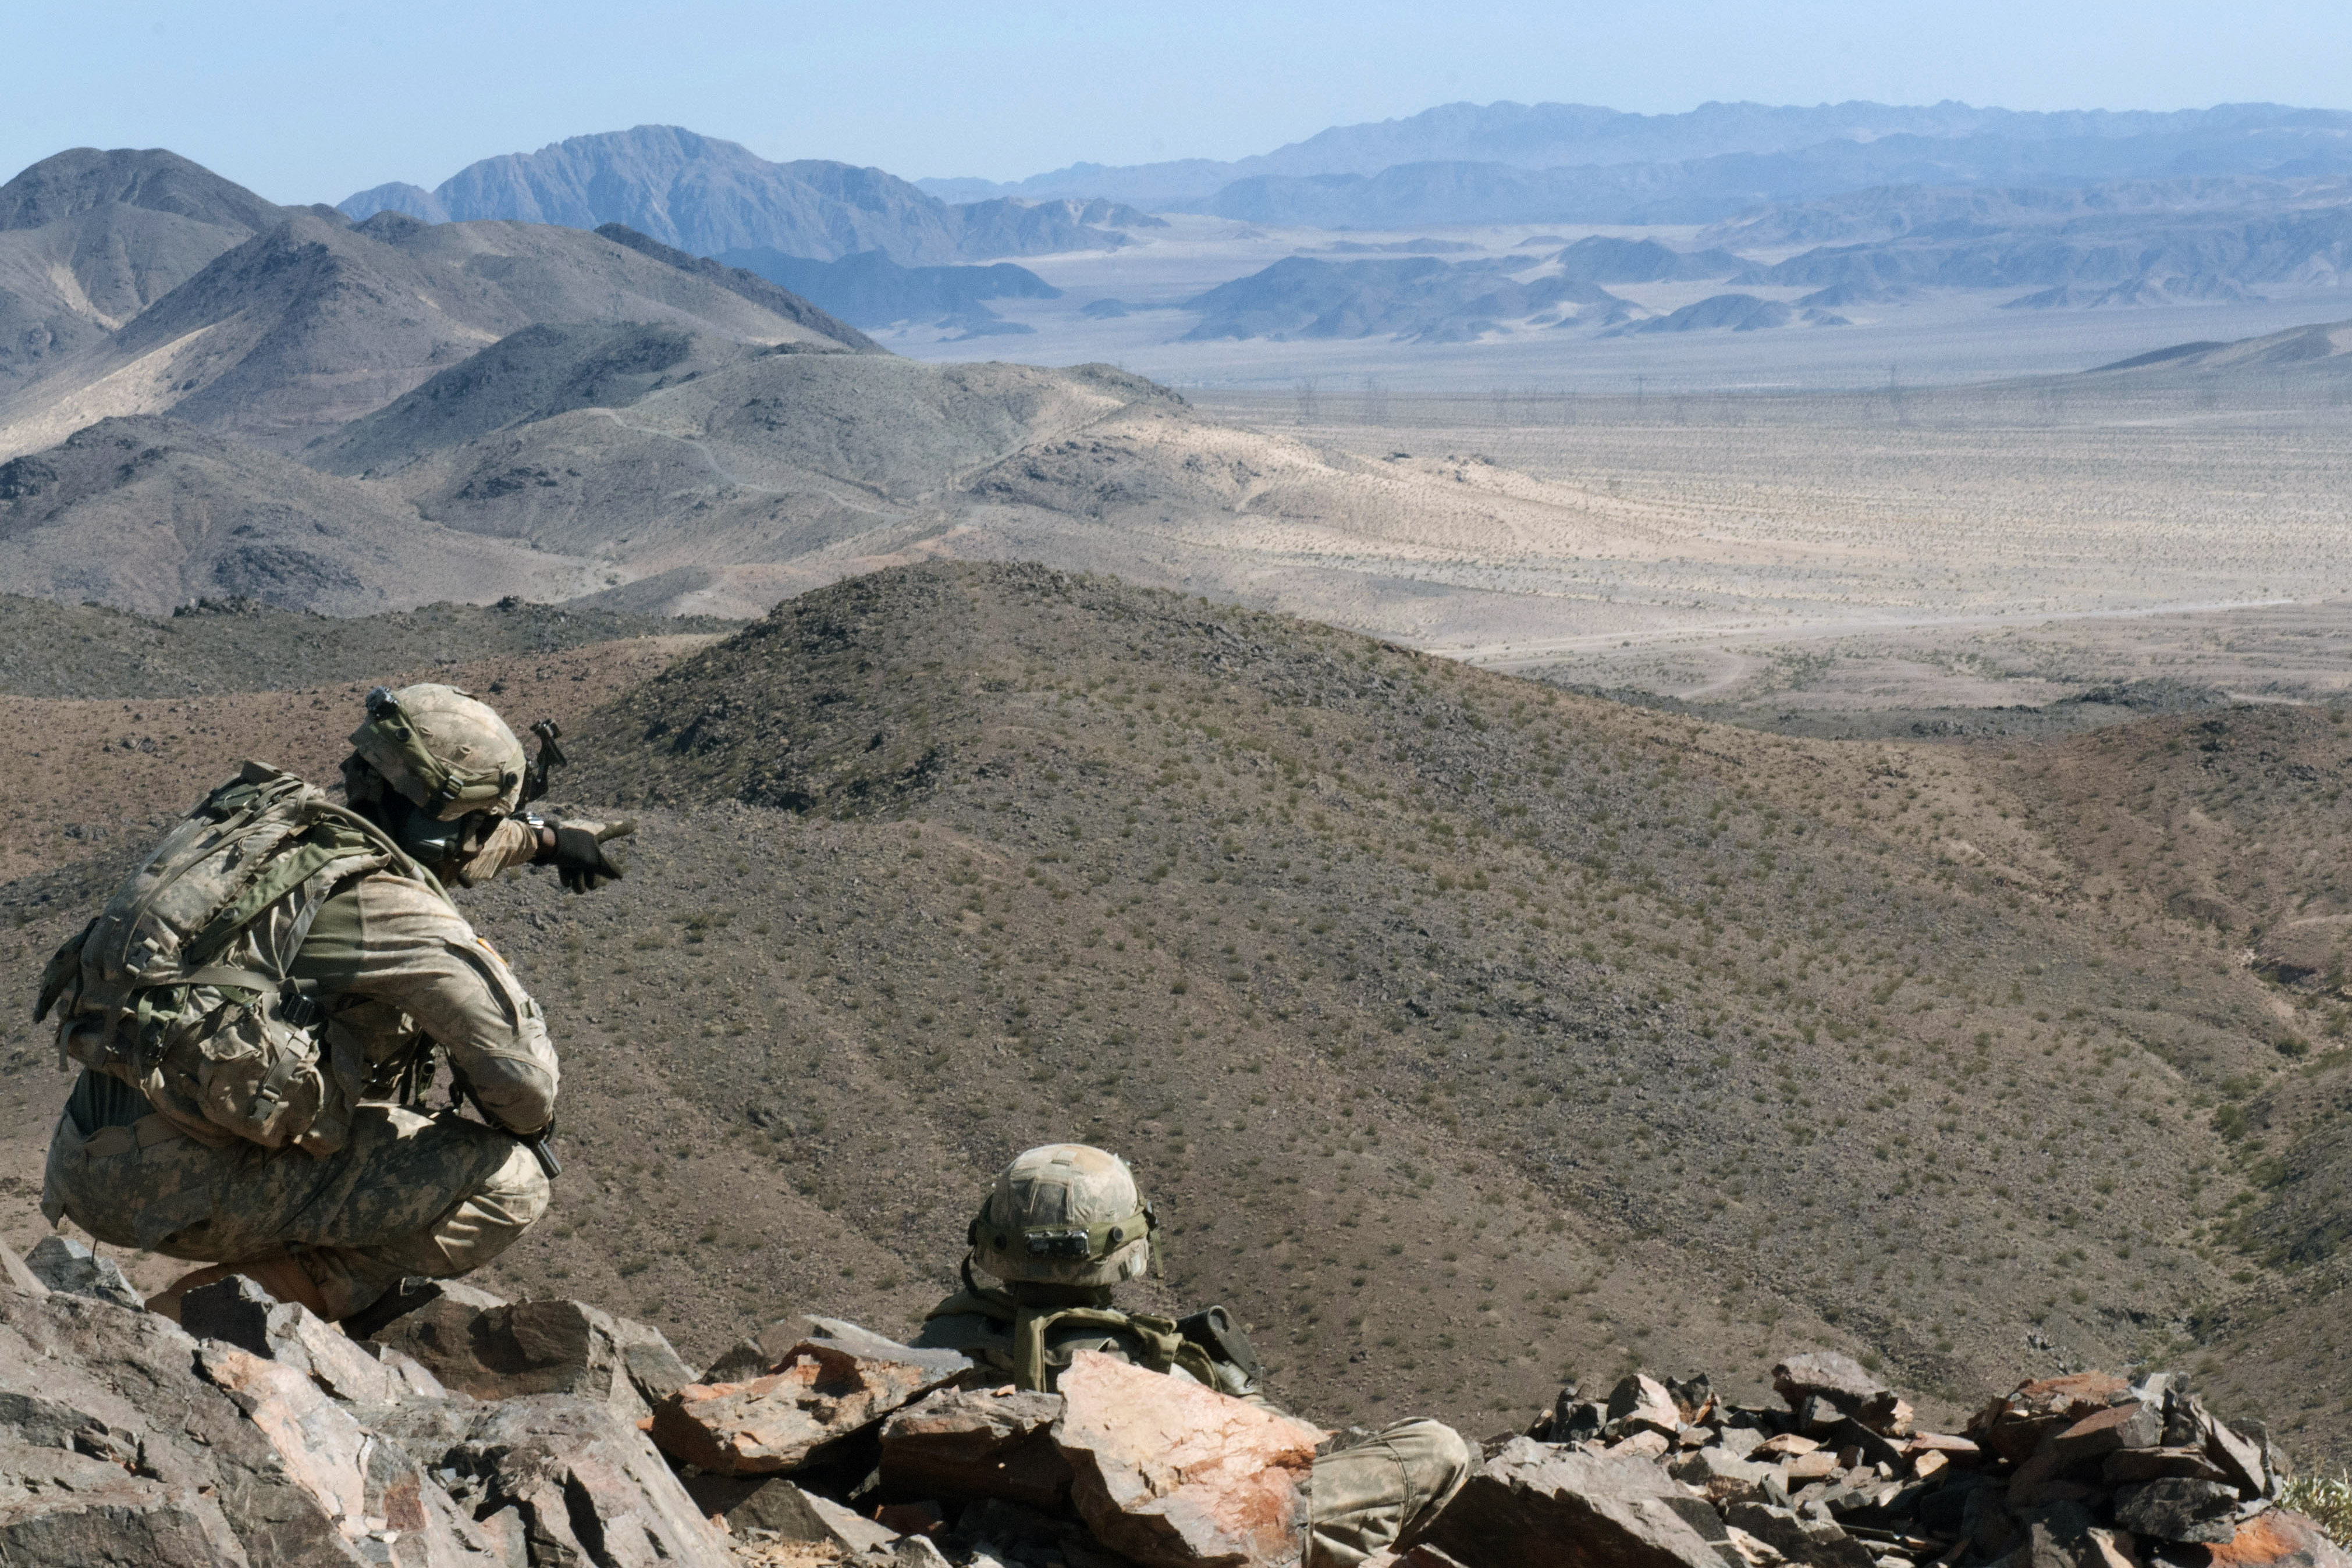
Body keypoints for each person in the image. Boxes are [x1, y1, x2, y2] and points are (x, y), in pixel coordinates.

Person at [34, 683, 633, 1322]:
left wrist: (546, 838)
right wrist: (528, 1125)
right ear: (454, 820)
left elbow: (431, 840)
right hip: (173, 1188)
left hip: (91, 1152)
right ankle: (226, 1314)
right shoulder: (395, 914)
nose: (482, 839)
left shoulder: (271, 824)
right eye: (481, 822)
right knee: (512, 1184)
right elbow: (525, 1083)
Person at [912, 1143, 1472, 1567]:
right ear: (1126, 1247)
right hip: (1179, 1540)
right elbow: (1264, 1458)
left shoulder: (938, 1341)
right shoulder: (1148, 1368)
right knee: (1435, 1445)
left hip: (1008, 1528)